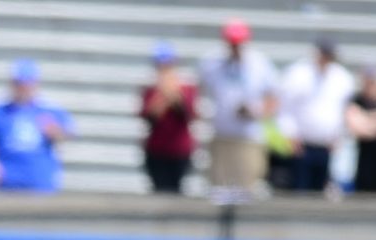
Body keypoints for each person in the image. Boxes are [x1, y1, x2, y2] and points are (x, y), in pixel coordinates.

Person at [199, 18, 276, 198]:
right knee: (219, 191)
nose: (235, 47)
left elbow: (273, 99)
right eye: (231, 43)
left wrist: (255, 111)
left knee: (246, 190)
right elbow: (200, 91)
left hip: (248, 137)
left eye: (238, 43)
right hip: (221, 135)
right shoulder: (212, 62)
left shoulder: (259, 64)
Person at [0, 59, 72, 191]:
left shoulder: (48, 109)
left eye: (27, 84)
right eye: (19, 84)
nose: (23, 88)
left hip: (39, 181)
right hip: (5, 181)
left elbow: (64, 135)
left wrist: (54, 131)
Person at [276, 38, 355, 192]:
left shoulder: (342, 78)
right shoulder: (298, 74)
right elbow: (284, 108)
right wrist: (290, 134)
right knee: (300, 191)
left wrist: (339, 135)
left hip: (327, 147)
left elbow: (344, 110)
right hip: (301, 146)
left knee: (321, 192)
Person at [140, 42, 196, 194]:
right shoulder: (150, 89)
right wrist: (162, 96)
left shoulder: (186, 87)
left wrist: (172, 92)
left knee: (176, 190)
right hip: (157, 150)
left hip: (179, 150)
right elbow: (149, 117)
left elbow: (188, 113)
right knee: (159, 190)